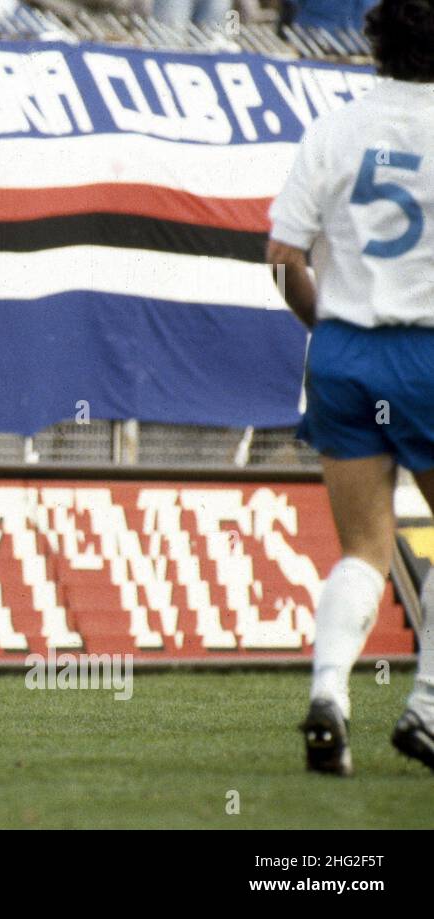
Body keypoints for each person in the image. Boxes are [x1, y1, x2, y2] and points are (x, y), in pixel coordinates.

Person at [267, 0, 434, 775]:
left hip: (342, 352)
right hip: (427, 352)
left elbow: (282, 256)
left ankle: (331, 692)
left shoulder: (334, 128)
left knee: (363, 547)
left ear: (375, 44)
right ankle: (426, 708)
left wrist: (324, 327)